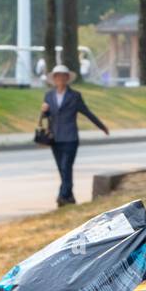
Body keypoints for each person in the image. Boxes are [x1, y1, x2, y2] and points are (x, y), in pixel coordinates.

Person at [41, 64, 108, 207]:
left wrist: (101, 126)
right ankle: (69, 197)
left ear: (67, 78)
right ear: (54, 79)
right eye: (57, 76)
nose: (60, 78)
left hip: (70, 138)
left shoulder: (75, 96)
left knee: (66, 167)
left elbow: (87, 112)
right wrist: (44, 111)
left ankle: (62, 196)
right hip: (54, 138)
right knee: (62, 170)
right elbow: (46, 116)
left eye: (63, 76)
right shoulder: (49, 95)